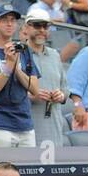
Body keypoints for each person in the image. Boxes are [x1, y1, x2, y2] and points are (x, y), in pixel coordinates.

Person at [0, 8, 41, 148]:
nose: (9, 24)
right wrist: (8, 66)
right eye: (5, 20)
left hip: (25, 124)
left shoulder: (23, 50)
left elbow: (35, 89)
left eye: (13, 20)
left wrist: (16, 69)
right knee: (0, 168)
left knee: (29, 169)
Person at [22, 14, 68, 150]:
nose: (42, 30)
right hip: (26, 126)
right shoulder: (18, 54)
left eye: (46, 26)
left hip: (53, 125)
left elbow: (65, 88)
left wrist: (61, 95)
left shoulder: (54, 55)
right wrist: (30, 96)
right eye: (37, 25)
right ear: (26, 28)